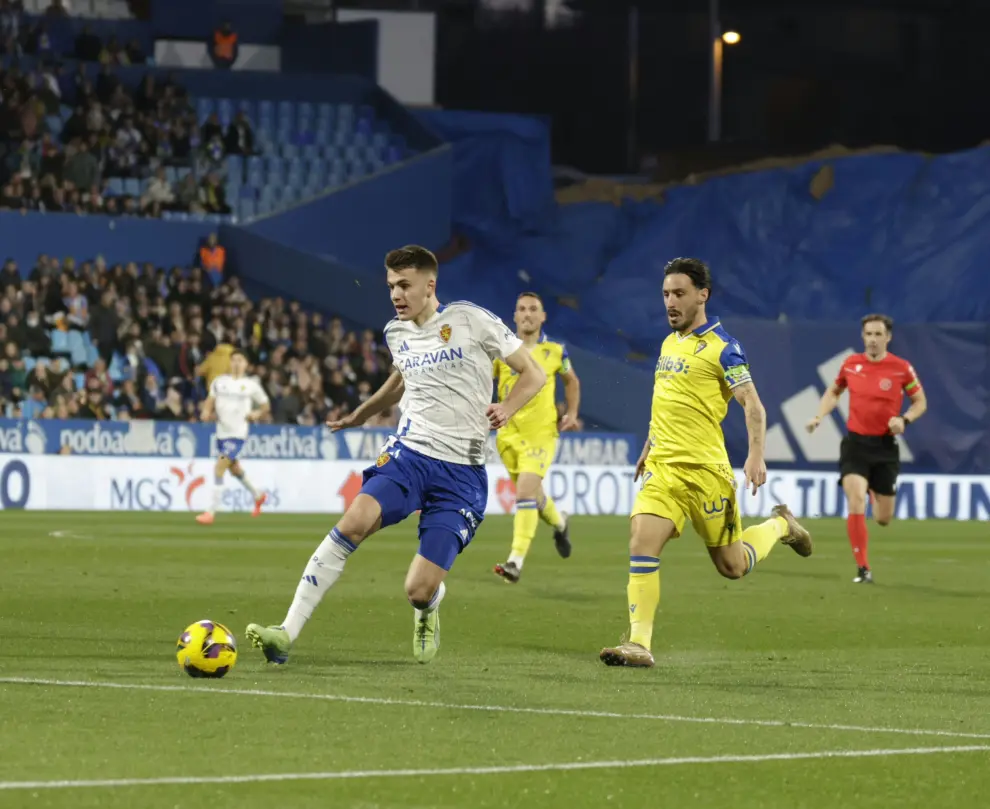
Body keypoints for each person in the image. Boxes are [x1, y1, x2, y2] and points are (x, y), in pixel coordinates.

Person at [246, 245, 546, 665]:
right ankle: (285, 633)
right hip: (410, 455)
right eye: (390, 286)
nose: (396, 295)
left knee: (418, 590)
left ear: (430, 285)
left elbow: (534, 372)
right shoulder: (396, 332)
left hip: (462, 474)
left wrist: (507, 407)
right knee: (355, 521)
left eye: (404, 285)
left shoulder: (470, 320)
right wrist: (359, 415)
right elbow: (399, 380)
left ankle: (429, 608)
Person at [599, 258, 813, 669]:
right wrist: (649, 442)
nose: (670, 302)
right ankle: (639, 644)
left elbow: (753, 404)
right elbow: (667, 401)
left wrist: (755, 454)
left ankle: (781, 525)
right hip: (663, 470)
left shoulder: (723, 348)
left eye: (679, 293)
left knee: (732, 566)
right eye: (665, 294)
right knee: (641, 541)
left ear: (703, 295)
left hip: (706, 475)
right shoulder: (668, 344)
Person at [806, 314, 926, 584]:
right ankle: (863, 568)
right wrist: (819, 416)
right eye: (868, 334)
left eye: (877, 334)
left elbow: (920, 402)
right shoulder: (851, 364)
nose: (872, 339)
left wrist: (904, 419)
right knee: (855, 499)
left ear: (888, 337)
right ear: (863, 337)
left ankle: (875, 489)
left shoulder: (901, 368)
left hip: (885, 447)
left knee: (883, 518)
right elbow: (834, 392)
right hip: (856, 445)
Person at [492, 291, 581, 583]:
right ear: (515, 316)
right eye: (522, 309)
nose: (527, 314)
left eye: (533, 309)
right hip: (507, 437)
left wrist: (571, 413)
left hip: (542, 435)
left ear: (543, 316)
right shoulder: (502, 352)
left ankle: (515, 561)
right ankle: (560, 523)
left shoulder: (556, 351)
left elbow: (572, 381)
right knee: (533, 496)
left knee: (525, 493)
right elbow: (483, 382)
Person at [196, 349, 270, 525]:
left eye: (240, 360)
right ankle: (258, 495)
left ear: (246, 364)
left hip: (237, 434)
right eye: (234, 360)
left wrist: (256, 414)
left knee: (219, 467)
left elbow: (265, 405)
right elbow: (210, 400)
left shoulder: (251, 385)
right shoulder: (220, 382)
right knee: (234, 468)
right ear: (230, 363)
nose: (237, 363)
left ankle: (210, 512)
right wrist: (206, 411)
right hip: (222, 432)